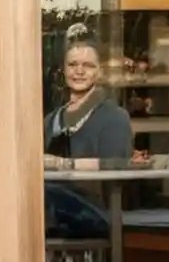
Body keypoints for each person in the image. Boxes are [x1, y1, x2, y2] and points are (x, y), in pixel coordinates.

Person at [42, 39, 133, 170]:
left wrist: (68, 165)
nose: (79, 71)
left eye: (88, 65)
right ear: (64, 70)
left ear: (99, 72)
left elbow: (117, 170)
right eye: (72, 65)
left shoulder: (115, 118)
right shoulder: (50, 121)